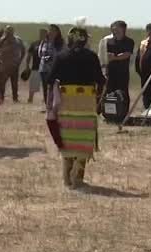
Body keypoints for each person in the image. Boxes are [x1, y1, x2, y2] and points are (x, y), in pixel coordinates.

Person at [45, 21, 105, 189]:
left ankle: (67, 177)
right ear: (85, 40)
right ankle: (77, 177)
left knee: (67, 138)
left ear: (70, 40)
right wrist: (99, 99)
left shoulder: (62, 56)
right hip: (86, 102)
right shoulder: (91, 57)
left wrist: (50, 103)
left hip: (66, 102)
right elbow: (101, 81)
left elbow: (50, 80)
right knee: (84, 137)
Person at [99, 21, 135, 100]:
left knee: (122, 92)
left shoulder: (129, 41)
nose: (114, 30)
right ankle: (109, 110)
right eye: (113, 28)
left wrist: (114, 57)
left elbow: (127, 54)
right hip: (110, 71)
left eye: (116, 28)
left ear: (123, 29)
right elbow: (104, 54)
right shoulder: (109, 41)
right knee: (109, 91)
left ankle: (123, 110)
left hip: (122, 72)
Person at [38, 24, 64, 108]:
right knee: (46, 88)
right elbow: (40, 54)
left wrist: (53, 57)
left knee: (55, 88)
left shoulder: (61, 43)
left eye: (53, 30)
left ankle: (56, 105)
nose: (51, 32)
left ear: (57, 32)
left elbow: (63, 54)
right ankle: (47, 106)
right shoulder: (44, 42)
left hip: (55, 69)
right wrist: (45, 57)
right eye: (50, 30)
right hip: (44, 68)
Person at [0, 25, 26, 102]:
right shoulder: (2, 40)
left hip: (15, 65)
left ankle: (15, 98)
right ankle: (1, 98)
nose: (9, 32)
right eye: (7, 30)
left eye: (10, 30)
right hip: (4, 65)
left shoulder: (18, 40)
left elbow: (23, 50)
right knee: (2, 83)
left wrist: (20, 60)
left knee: (14, 83)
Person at [25, 28, 45, 103]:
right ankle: (30, 98)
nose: (42, 35)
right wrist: (27, 65)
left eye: (43, 33)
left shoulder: (49, 44)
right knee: (33, 84)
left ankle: (45, 99)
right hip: (35, 67)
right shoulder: (34, 44)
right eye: (41, 33)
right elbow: (29, 55)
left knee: (46, 85)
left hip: (46, 68)